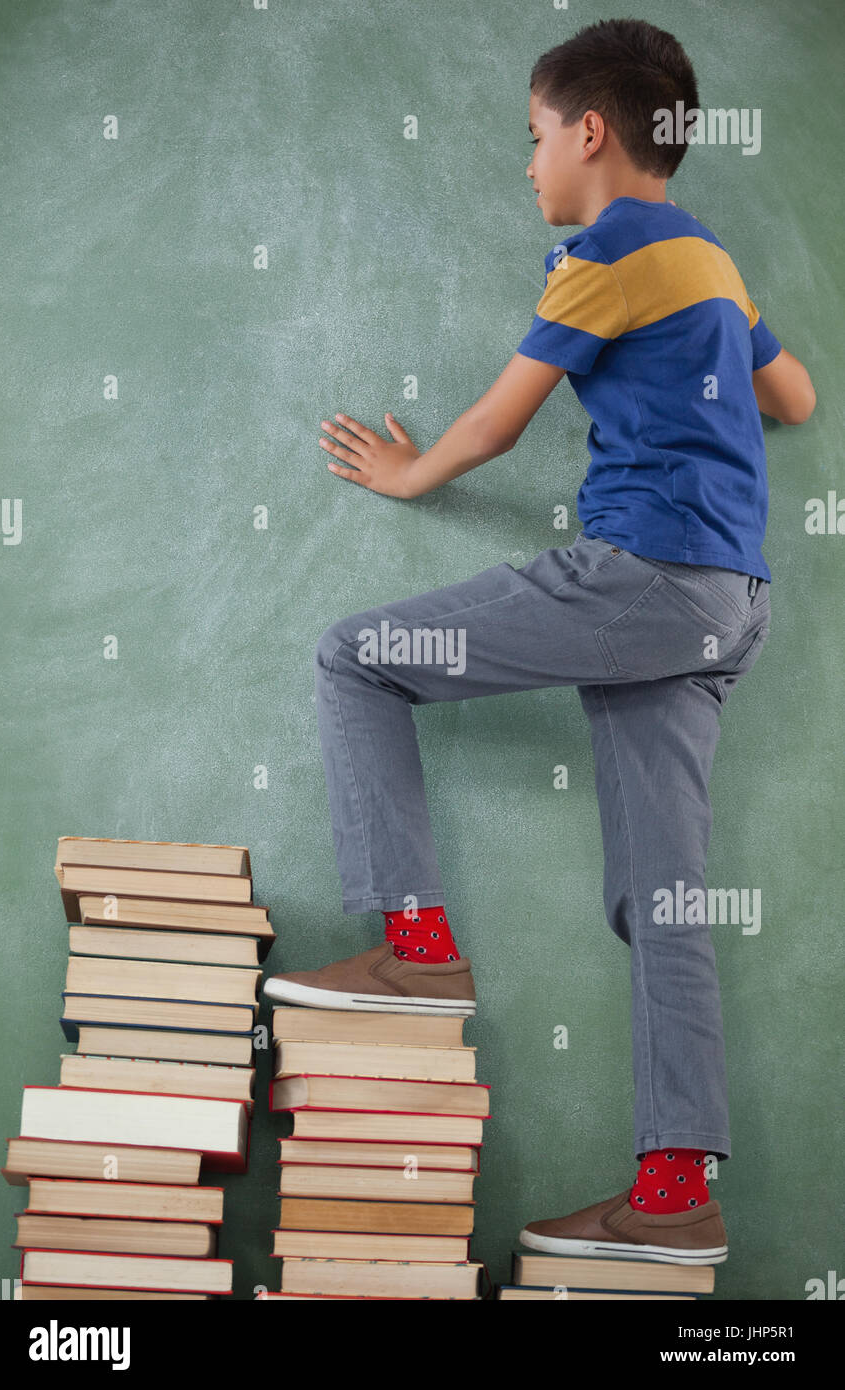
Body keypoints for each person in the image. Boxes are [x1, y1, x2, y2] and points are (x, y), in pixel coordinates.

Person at [263, 17, 815, 1264]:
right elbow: (797, 399)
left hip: (647, 578)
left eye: (529, 139)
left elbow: (497, 425)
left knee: (355, 656)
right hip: (728, 606)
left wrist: (408, 477)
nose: (525, 168)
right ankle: (672, 1190)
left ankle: (416, 949)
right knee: (662, 897)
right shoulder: (710, 264)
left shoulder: (606, 249)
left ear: (588, 132)